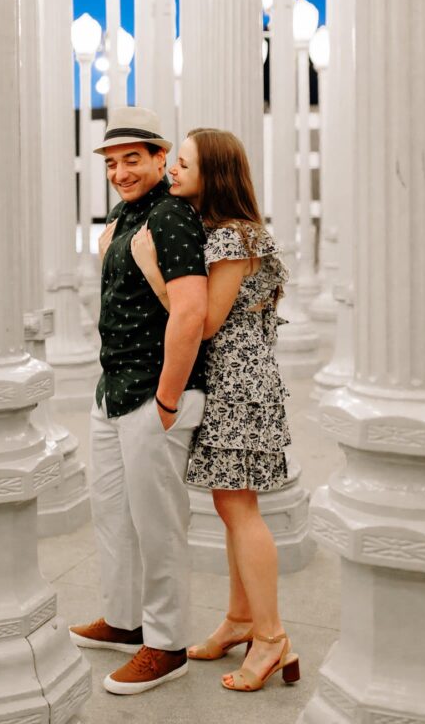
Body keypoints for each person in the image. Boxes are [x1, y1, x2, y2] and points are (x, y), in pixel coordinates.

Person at [130, 127, 299, 693]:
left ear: (214, 174)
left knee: (239, 512)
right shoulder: (234, 232)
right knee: (232, 509)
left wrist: (154, 268)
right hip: (240, 383)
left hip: (237, 387)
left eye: (183, 164)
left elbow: (204, 323)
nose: (173, 172)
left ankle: (271, 637)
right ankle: (240, 619)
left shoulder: (231, 239)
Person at [69, 106, 208, 696]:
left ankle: (166, 643)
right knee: (112, 514)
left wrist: (169, 400)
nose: (121, 172)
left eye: (134, 160)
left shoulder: (171, 216)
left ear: (160, 158)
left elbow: (191, 311)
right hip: (114, 390)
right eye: (112, 162)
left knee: (158, 526)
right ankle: (125, 621)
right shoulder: (125, 216)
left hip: (154, 393)